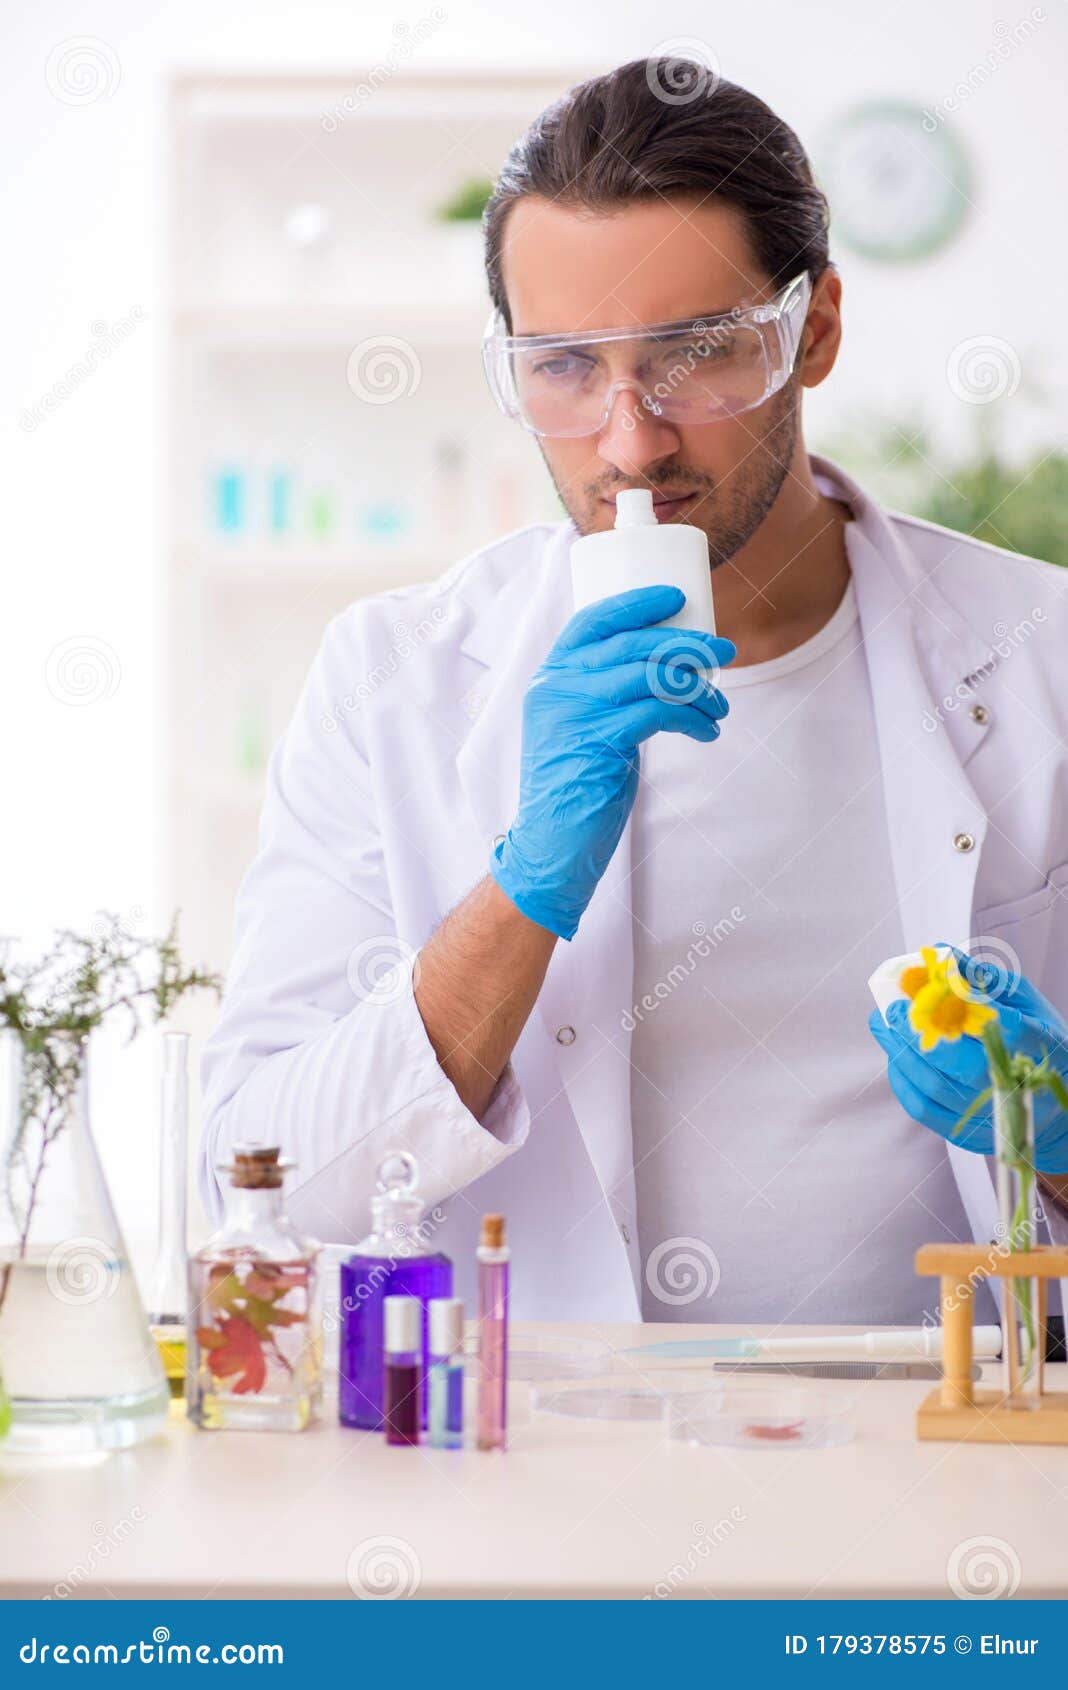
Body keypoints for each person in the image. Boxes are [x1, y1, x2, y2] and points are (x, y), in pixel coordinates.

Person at [199, 59, 1068, 1325]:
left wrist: (1058, 1130)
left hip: (942, 1466)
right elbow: (253, 1183)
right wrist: (524, 883)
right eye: (563, 368)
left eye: (695, 354)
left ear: (811, 330)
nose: (630, 441)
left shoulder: (1040, 655)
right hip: (543, 1465)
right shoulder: (395, 680)